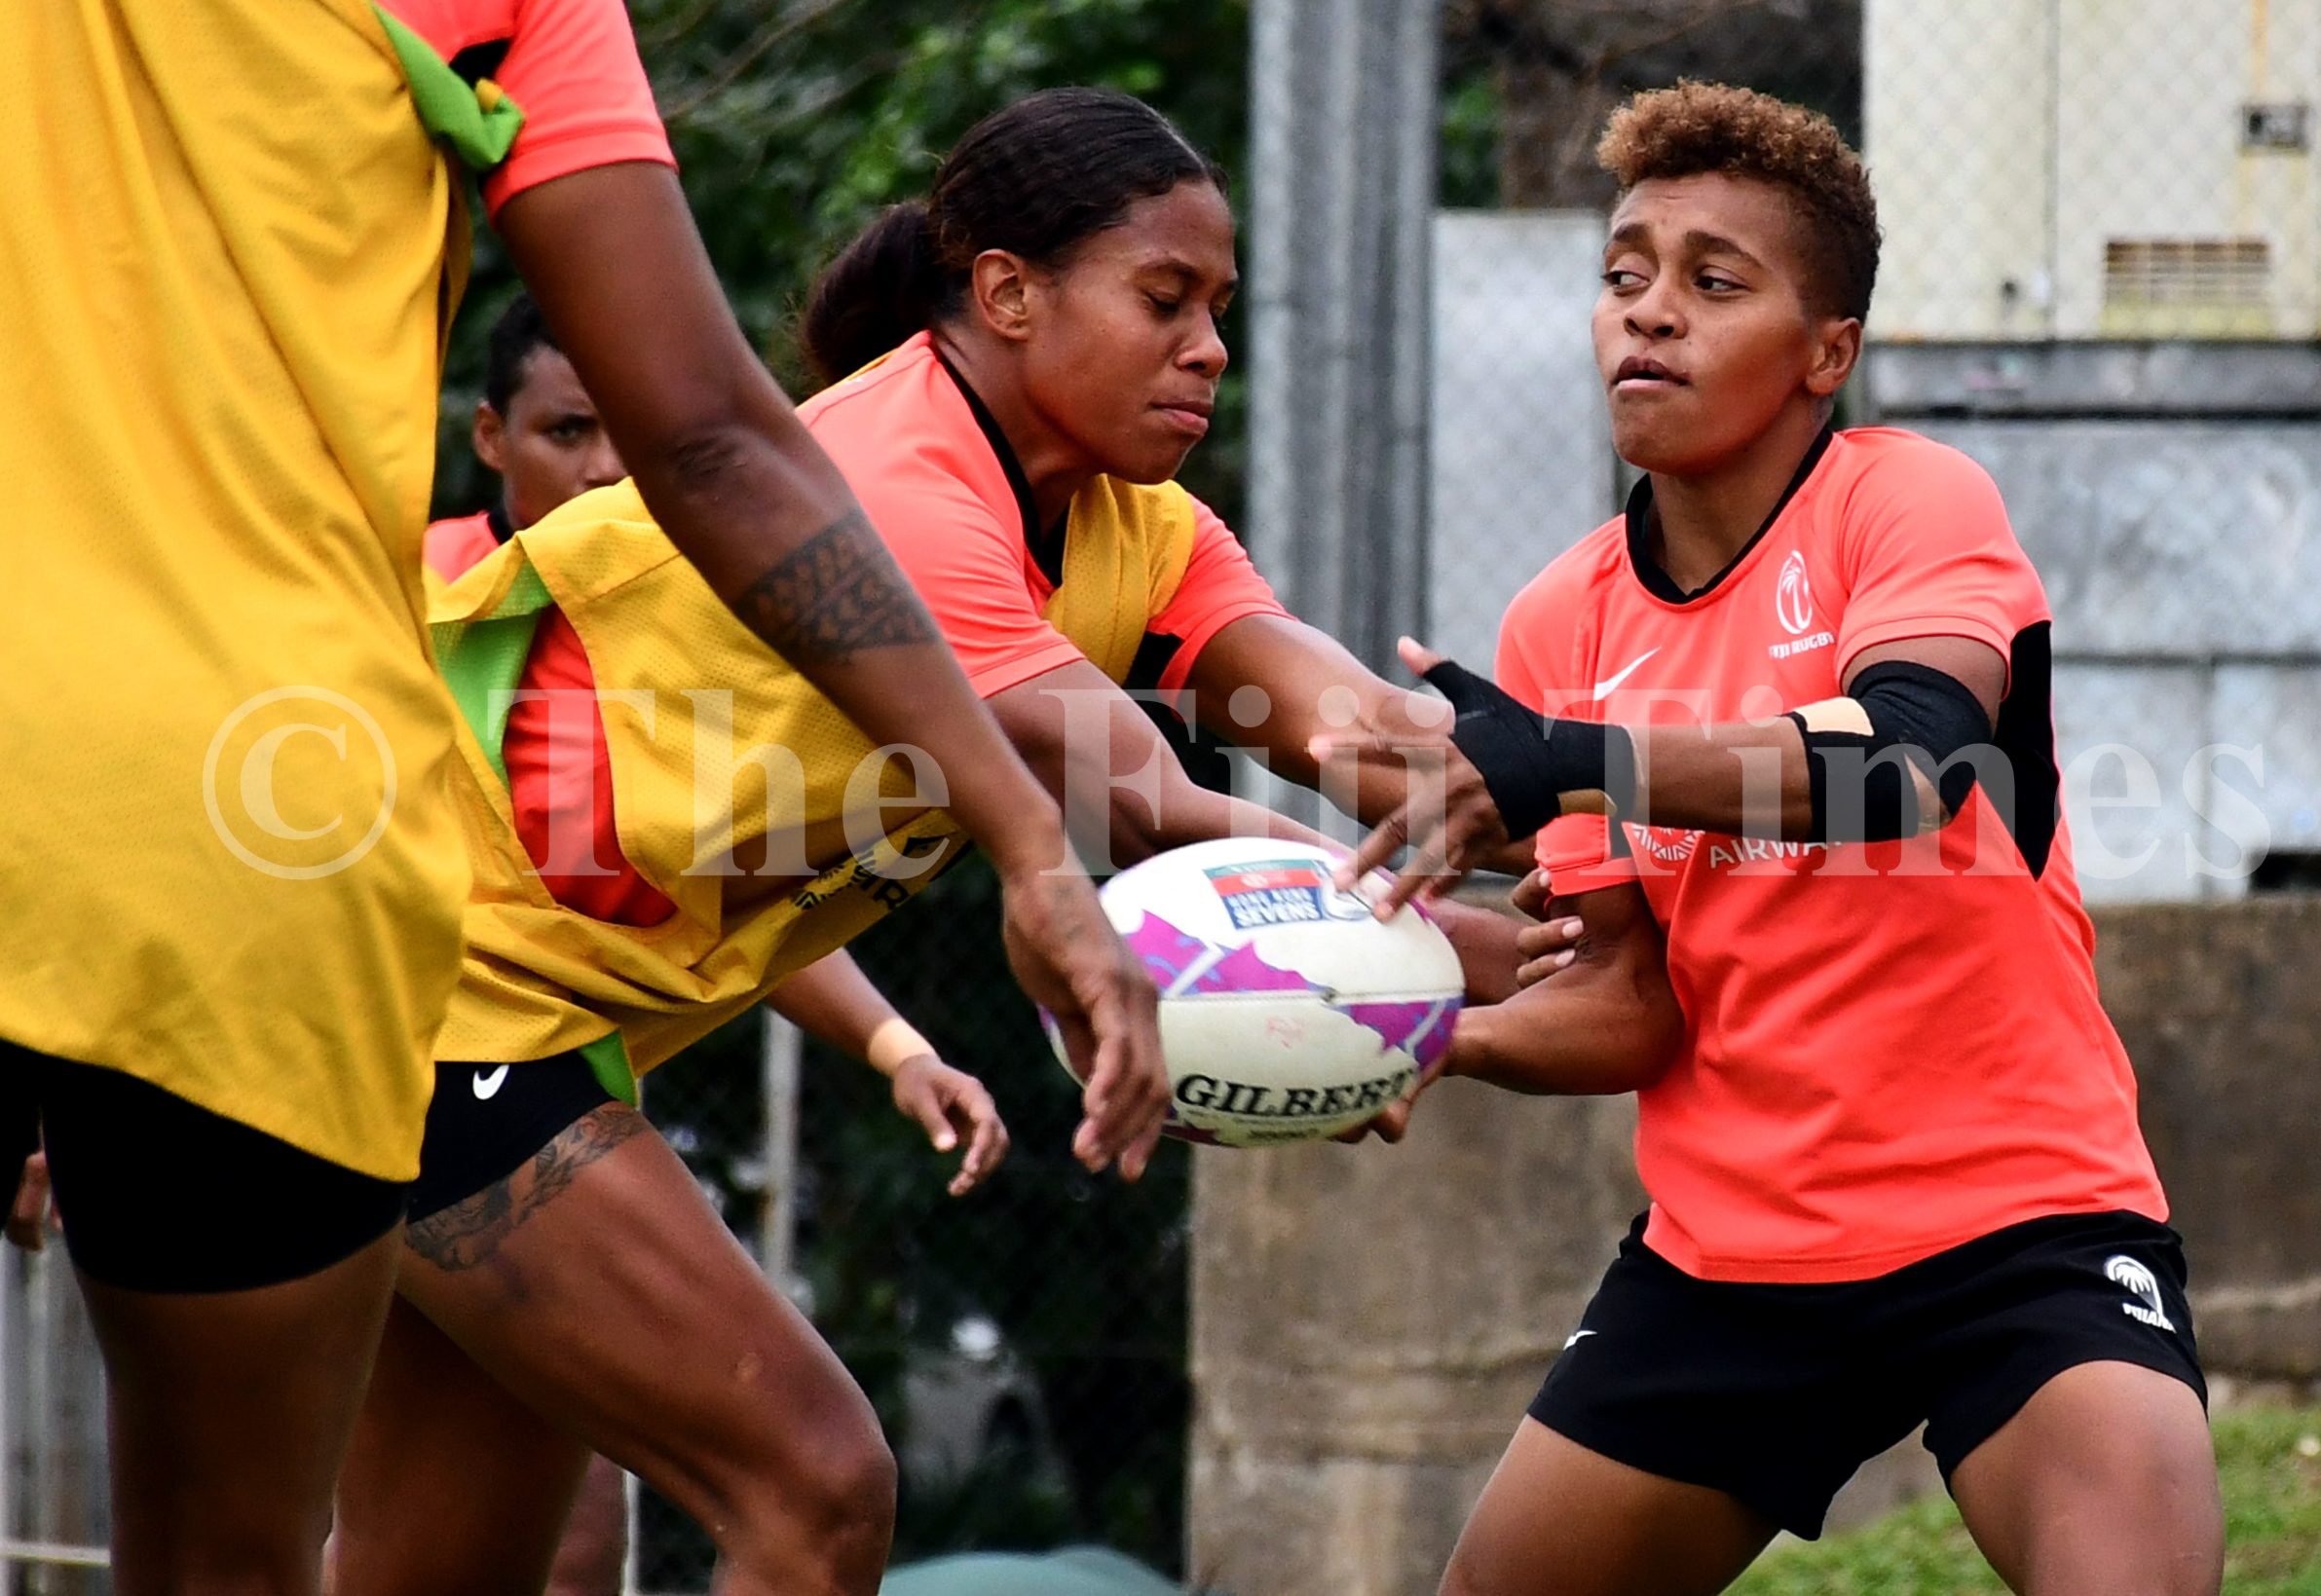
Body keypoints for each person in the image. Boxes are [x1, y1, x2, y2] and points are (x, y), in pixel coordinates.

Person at [0, 5, 1159, 1590]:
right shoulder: (531, 589)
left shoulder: (1120, 533)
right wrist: (1032, 843)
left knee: (519, 1538)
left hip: (265, 879)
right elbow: (711, 435)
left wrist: (902, 1025)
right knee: (260, 1552)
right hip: (254, 866)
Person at [327, 88, 1524, 1596]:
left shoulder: (1125, 520)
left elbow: (1334, 716)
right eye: (1165, 298)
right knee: (815, 1487)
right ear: (1008, 292)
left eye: (1219, 307)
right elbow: (1136, 792)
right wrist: (1430, 946)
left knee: (439, 1571)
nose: (1210, 345)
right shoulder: (895, 475)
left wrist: (1546, 801)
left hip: (528, 1018)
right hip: (416, 981)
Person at [1324, 84, 2224, 1596]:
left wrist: (1566, 759)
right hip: (1733, 1257)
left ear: (1829, 354)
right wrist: (1442, 1034)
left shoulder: (1909, 500)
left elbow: (1911, 767)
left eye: (1710, 282)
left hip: (2020, 1218)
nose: (1648, 316)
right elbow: (1638, 997)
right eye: (1624, 275)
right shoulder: (1565, 617)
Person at [425, 294, 628, 579]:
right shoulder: (426, 583)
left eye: (634, 434)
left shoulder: (700, 588)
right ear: (491, 436)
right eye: (567, 432)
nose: (609, 469)